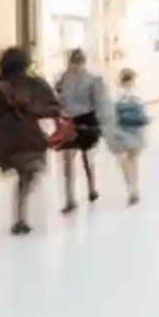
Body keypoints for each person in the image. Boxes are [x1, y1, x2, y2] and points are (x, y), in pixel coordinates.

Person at [0, 48, 62, 235]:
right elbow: (53, 109)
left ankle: (20, 217)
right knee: (29, 175)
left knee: (24, 176)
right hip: (31, 139)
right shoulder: (35, 84)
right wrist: (57, 130)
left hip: (8, 143)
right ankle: (20, 216)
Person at [56, 49, 107, 214]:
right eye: (72, 63)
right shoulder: (63, 78)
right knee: (70, 160)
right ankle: (71, 198)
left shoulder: (92, 80)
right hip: (70, 121)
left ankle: (91, 189)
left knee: (85, 159)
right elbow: (59, 98)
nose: (74, 67)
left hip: (85, 120)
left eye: (76, 64)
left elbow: (99, 102)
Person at [106, 68, 150, 206]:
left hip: (124, 132)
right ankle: (134, 188)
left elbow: (113, 116)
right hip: (135, 132)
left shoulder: (117, 96)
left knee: (125, 161)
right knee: (133, 160)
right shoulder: (136, 95)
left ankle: (131, 187)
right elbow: (143, 115)